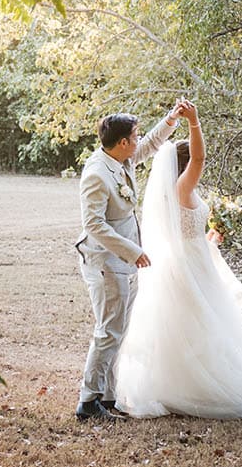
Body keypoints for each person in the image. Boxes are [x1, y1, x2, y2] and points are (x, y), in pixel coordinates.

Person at [113, 100, 242, 419]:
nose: (200, 168)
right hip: (191, 267)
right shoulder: (183, 186)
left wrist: (211, 238)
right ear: (185, 167)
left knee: (197, 325)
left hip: (191, 260)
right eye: (194, 165)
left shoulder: (177, 193)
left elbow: (185, 231)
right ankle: (205, 389)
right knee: (205, 324)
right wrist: (193, 121)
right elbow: (199, 157)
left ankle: (185, 386)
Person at [73, 102, 186, 420]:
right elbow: (94, 225)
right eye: (135, 136)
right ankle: (88, 401)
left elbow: (151, 144)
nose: (139, 140)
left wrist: (171, 119)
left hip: (122, 261)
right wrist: (133, 251)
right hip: (105, 261)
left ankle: (108, 397)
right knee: (108, 331)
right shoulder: (97, 174)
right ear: (123, 142)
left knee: (118, 330)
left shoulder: (121, 159)